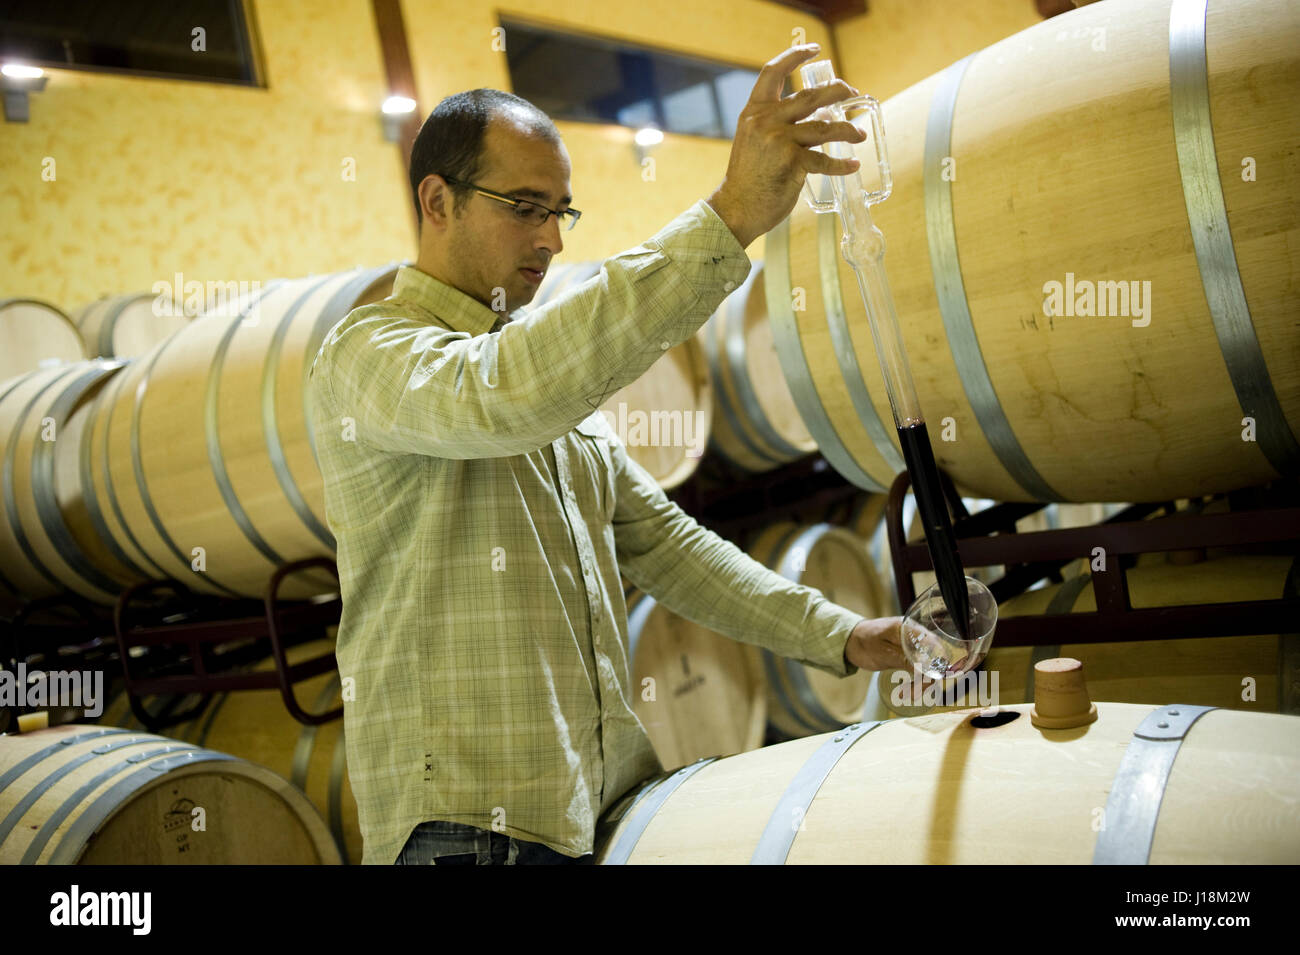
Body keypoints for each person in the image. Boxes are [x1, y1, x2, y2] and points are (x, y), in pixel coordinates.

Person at [307, 42, 908, 866]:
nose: (552, 237)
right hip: (464, 829)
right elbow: (499, 397)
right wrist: (728, 215)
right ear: (437, 200)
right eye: (525, 205)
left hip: (594, 804)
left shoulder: (537, 373)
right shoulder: (369, 354)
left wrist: (843, 635)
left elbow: (670, 548)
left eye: (562, 211)